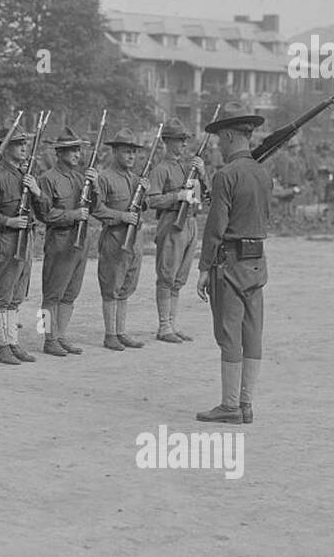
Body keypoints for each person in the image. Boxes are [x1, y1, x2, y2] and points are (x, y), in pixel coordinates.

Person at [196, 102, 273, 424]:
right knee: (252, 334)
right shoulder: (262, 173)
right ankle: (246, 404)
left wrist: (203, 269)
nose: (217, 144)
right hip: (257, 263)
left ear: (229, 135)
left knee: (229, 335)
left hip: (228, 264)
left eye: (219, 139)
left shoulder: (226, 174)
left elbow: (215, 227)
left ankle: (229, 407)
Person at [0, 124, 44, 364]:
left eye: (24, 143)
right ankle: (2, 345)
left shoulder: (26, 176)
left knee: (17, 294)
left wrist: (37, 191)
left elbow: (43, 210)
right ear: (4, 147)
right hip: (3, 239)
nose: (23, 148)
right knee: (2, 294)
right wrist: (8, 221)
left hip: (24, 239)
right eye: (18, 144)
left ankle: (13, 342)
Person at [37, 126, 99, 356]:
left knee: (70, 293)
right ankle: (46, 338)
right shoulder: (48, 179)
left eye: (78, 150)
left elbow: (94, 205)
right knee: (51, 293)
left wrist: (95, 184)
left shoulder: (80, 177)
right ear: (59, 153)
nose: (77, 154)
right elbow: (44, 214)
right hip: (59, 241)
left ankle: (60, 336)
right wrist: (72, 215)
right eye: (71, 150)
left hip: (79, 241)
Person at [145, 117, 207, 343]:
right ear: (167, 142)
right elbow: (152, 200)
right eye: (179, 140)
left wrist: (202, 173)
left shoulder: (187, 167)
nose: (183, 144)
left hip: (190, 223)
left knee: (179, 278)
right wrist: (177, 196)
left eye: (184, 140)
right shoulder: (160, 169)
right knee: (167, 276)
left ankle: (172, 324)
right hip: (171, 224)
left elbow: (203, 196)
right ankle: (163, 327)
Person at [92, 128, 148, 351]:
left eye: (134, 152)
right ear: (114, 152)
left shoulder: (135, 179)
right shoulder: (105, 178)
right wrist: (121, 216)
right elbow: (97, 209)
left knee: (126, 287)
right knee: (111, 287)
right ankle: (110, 334)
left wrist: (144, 192)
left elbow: (142, 207)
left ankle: (121, 332)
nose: (131, 156)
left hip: (134, 239)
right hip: (115, 237)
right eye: (126, 152)